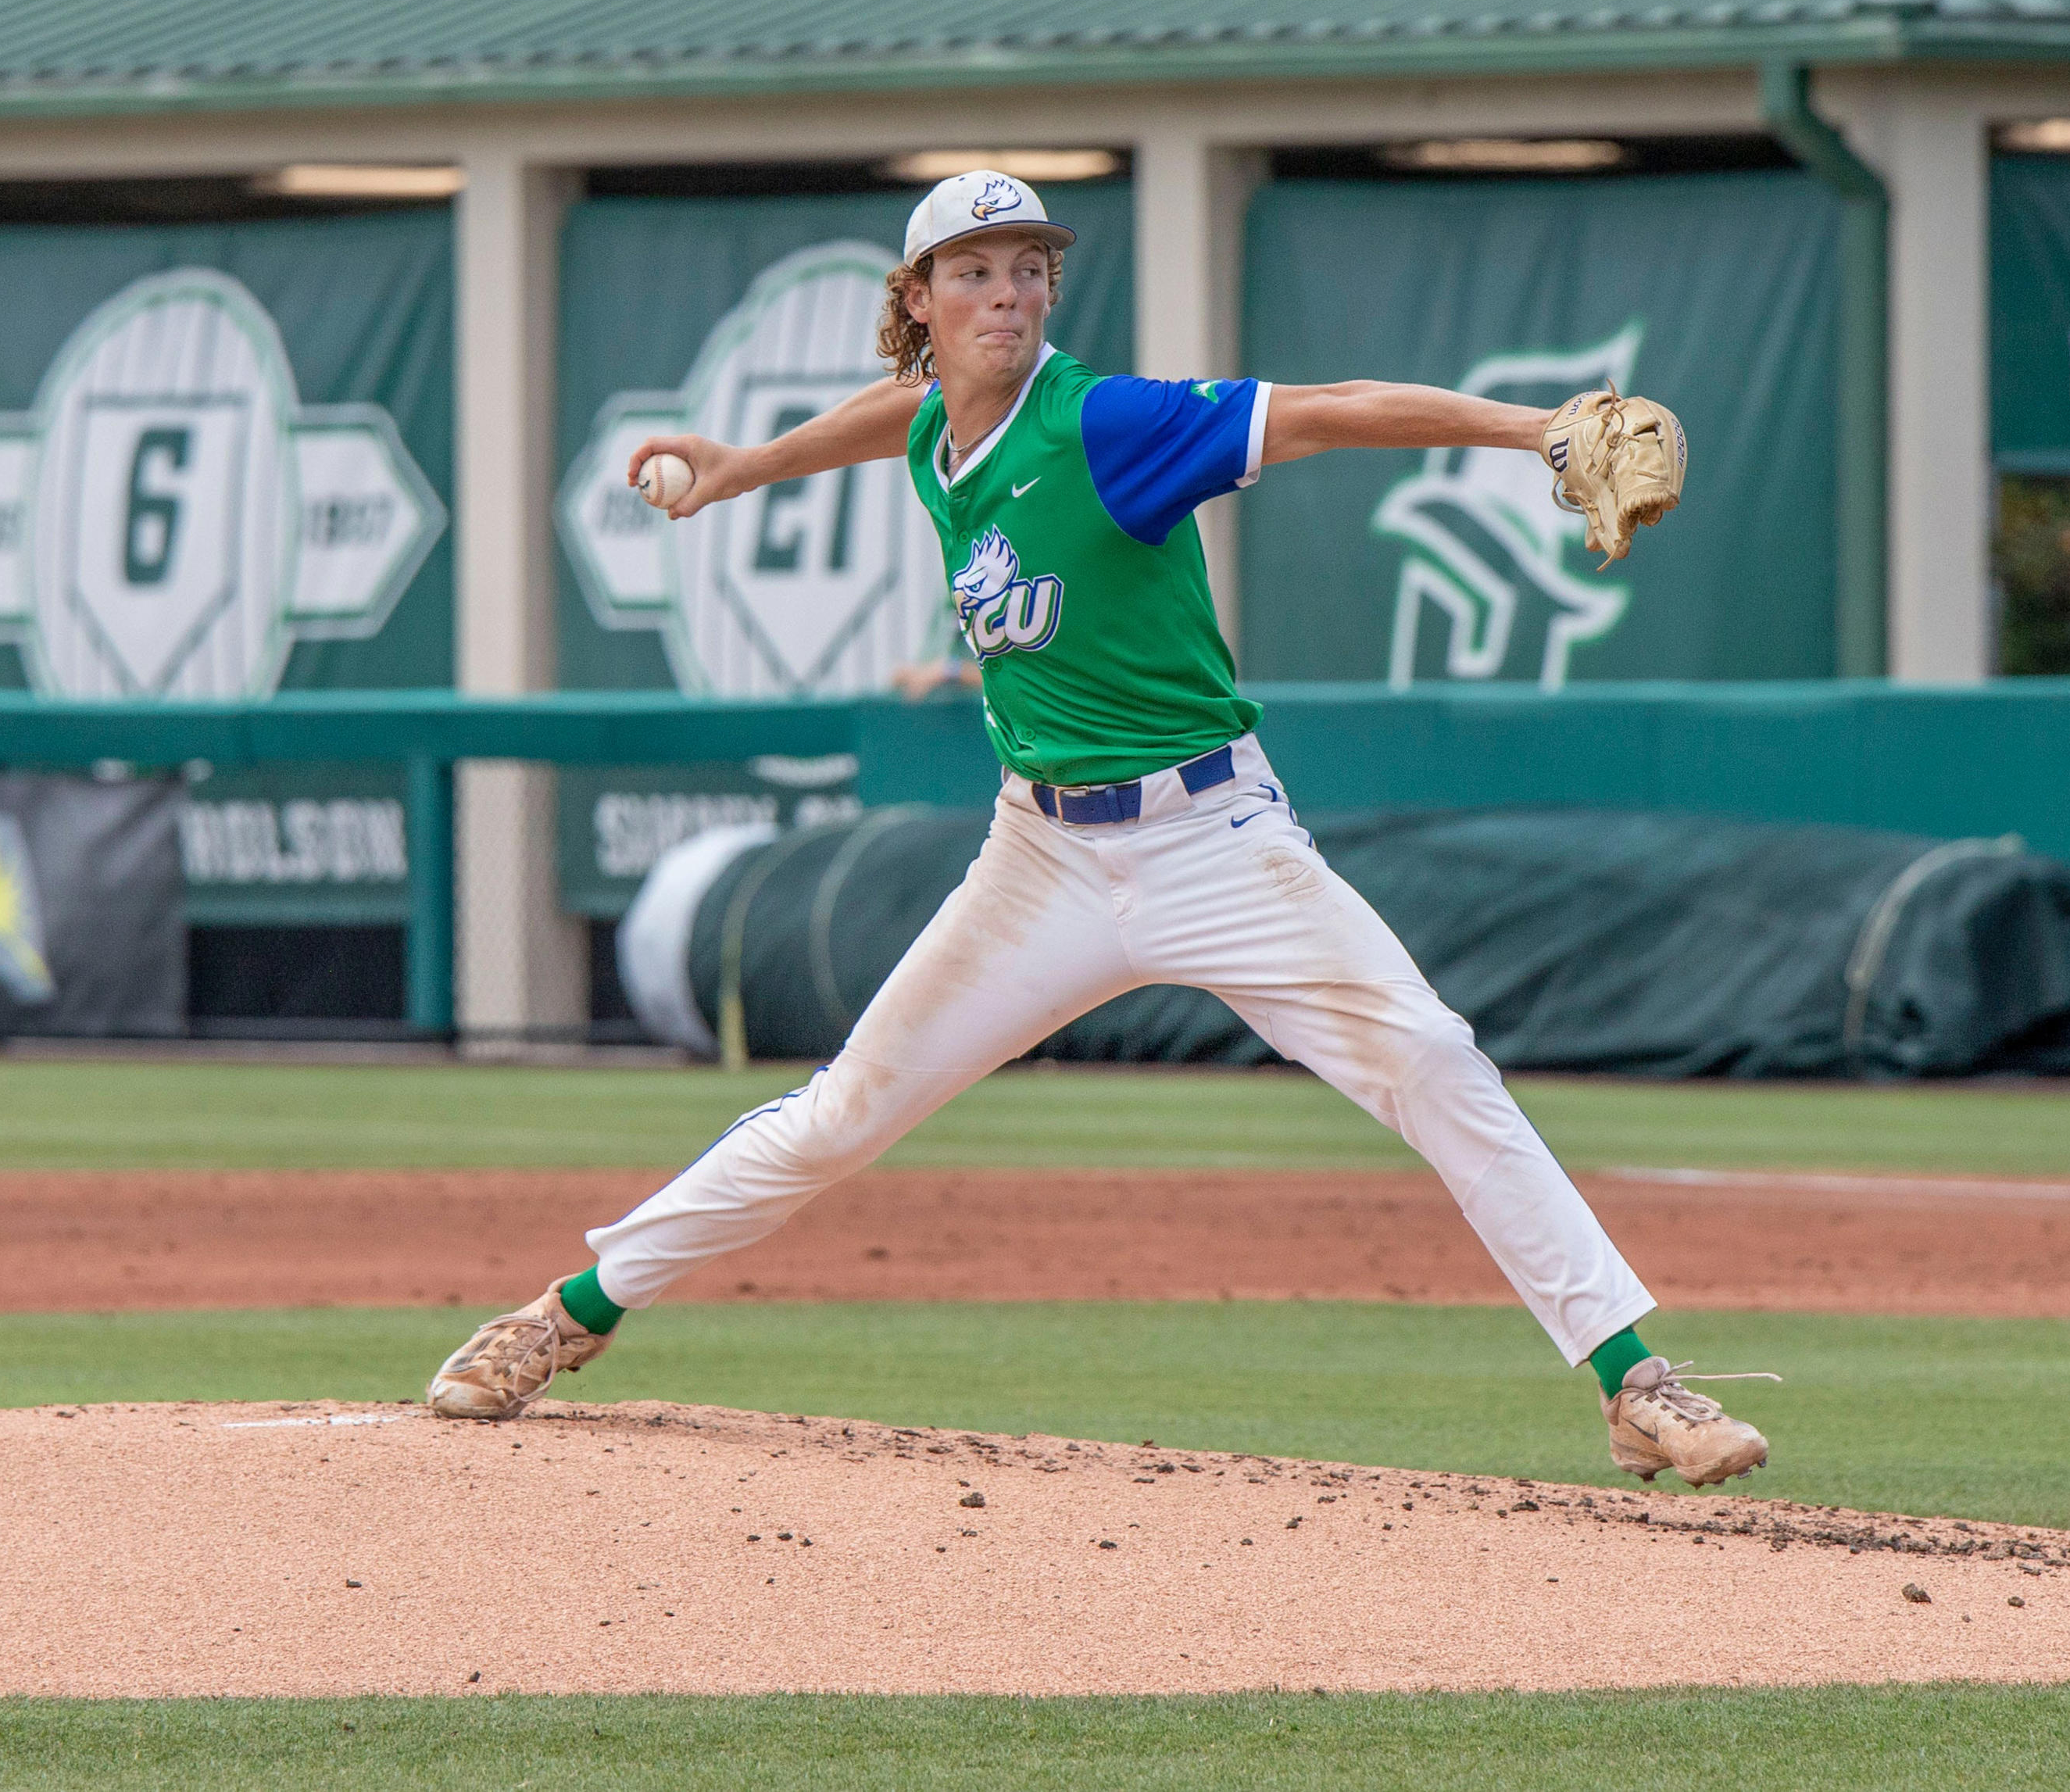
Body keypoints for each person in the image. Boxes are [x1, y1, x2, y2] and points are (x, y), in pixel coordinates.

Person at [425, 170, 1769, 1486]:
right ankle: (567, 1311)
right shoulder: (940, 428)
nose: (1007, 293)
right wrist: (746, 468)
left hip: (1215, 836)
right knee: (844, 1112)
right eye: (973, 272)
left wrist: (1536, 429)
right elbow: (901, 411)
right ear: (919, 300)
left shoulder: (1107, 423)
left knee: (1428, 1056)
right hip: (1041, 857)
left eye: (1028, 269)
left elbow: (1329, 411)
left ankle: (1634, 1382)